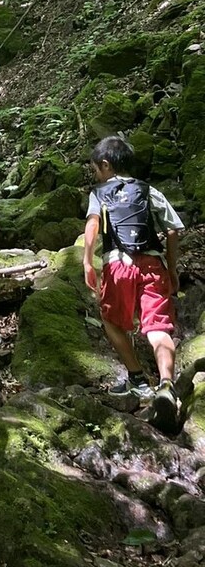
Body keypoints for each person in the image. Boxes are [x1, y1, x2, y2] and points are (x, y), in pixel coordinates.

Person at [83, 135, 184, 432]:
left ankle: (137, 379)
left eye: (96, 169)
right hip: (153, 265)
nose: (95, 175)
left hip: (118, 265)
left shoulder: (99, 193)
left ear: (105, 165)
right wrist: (172, 267)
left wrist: (88, 261)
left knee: (111, 321)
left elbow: (92, 224)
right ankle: (167, 385)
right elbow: (174, 230)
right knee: (157, 328)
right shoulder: (148, 190)